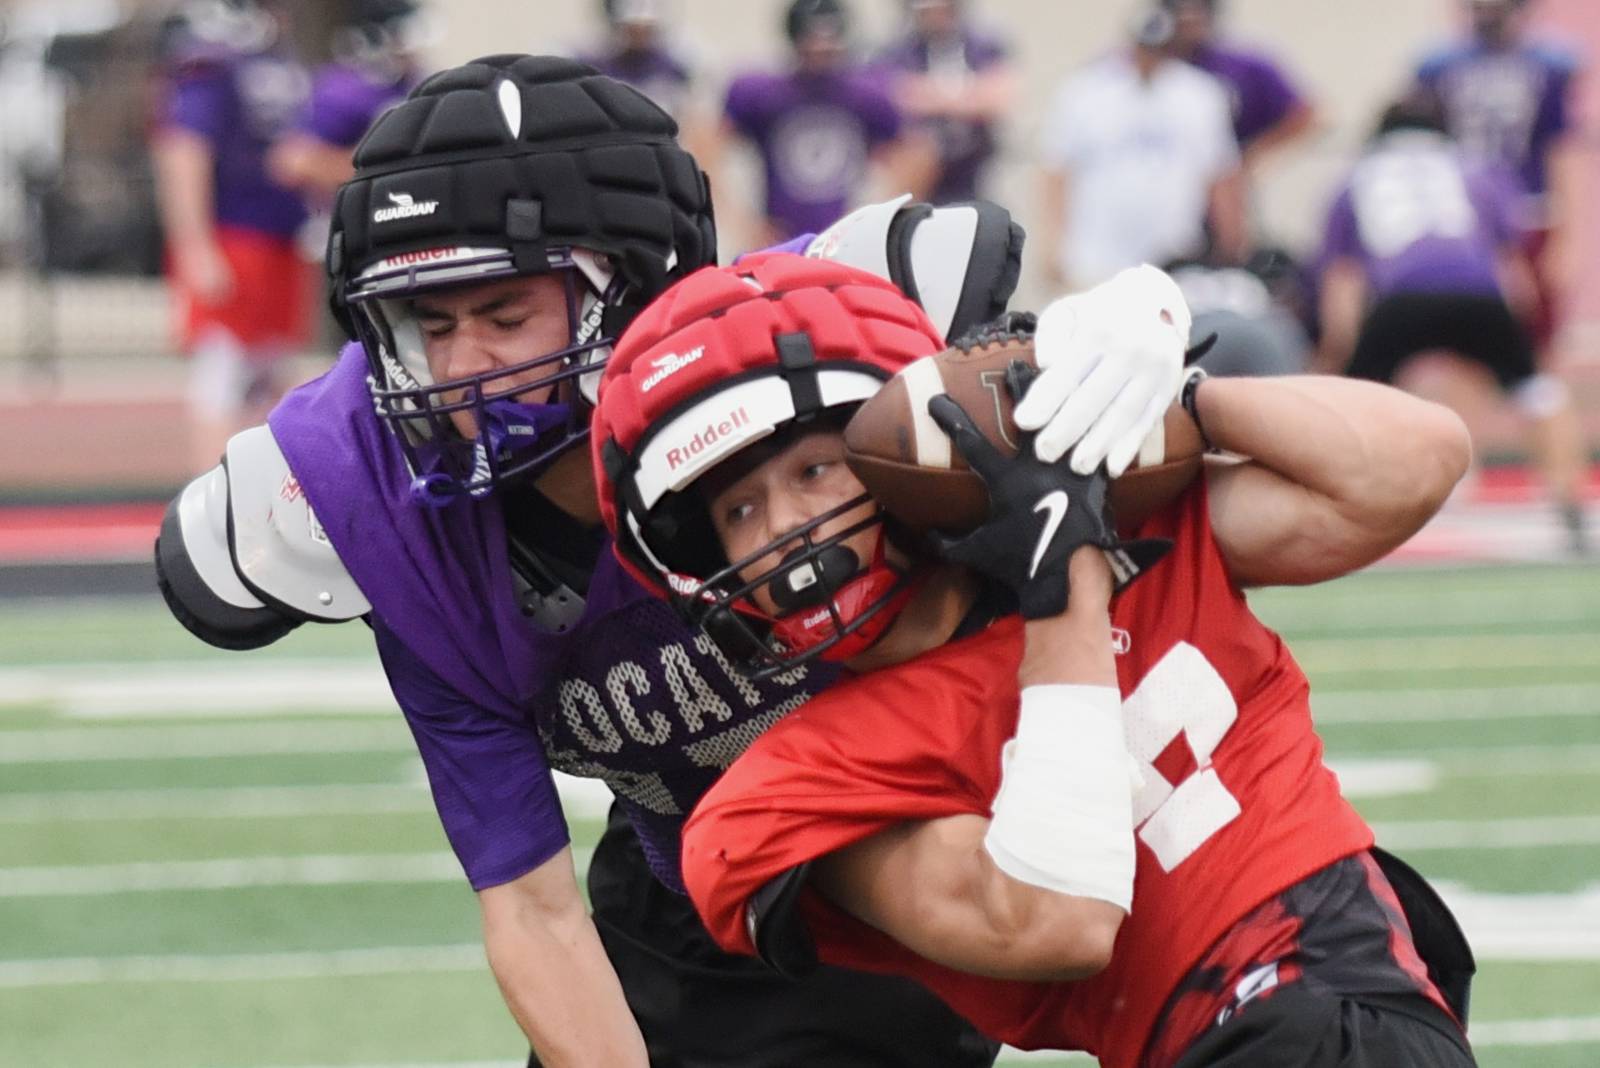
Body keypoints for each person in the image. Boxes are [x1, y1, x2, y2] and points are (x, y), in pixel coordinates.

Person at [154, 53, 1048, 1067]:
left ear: (633, 287)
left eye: (503, 315)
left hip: (900, 857)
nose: (460, 368)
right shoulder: (390, 513)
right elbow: (530, 907)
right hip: (670, 890)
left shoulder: (808, 368)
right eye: (430, 323)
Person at [591, 254, 1479, 1066]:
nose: (784, 530)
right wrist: (1065, 582)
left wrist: (1181, 393)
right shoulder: (779, 791)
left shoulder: (1135, 527)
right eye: (739, 511)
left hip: (1345, 1000)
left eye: (815, 473)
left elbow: (1414, 467)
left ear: (905, 451)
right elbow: (1056, 920)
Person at [1316, 94, 1588, 552]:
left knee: (1349, 405)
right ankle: (1569, 505)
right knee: (1539, 393)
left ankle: (1331, 508)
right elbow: (1513, 268)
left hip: (1400, 297)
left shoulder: (1355, 178)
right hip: (1476, 292)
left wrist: (1339, 349)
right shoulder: (1476, 167)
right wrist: (1519, 339)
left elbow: (1343, 283)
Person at [150, 0, 312, 472]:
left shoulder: (276, 56)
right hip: (233, 235)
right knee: (222, 369)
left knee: (272, 371)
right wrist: (196, 246)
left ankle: (264, 492)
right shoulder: (209, 62)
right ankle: (214, 496)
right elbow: (183, 152)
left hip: (280, 234)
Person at [1415, 0, 1584, 353]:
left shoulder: (1549, 65)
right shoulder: (1438, 66)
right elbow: (1429, 146)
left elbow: (1559, 148)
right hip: (1463, 210)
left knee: (1536, 323)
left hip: (1530, 206)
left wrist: (1567, 235)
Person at [1037, 6, 1246, 291]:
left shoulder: (1200, 95)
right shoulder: (1085, 92)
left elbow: (1219, 173)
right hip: (1097, 251)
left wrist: (1231, 239)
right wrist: (1053, 242)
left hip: (1174, 252)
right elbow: (1057, 170)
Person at [714, 0, 927, 248]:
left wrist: (877, 214)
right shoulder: (762, 93)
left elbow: (918, 154)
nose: (820, 50)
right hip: (782, 238)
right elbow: (705, 143)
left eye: (828, 44)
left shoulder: (865, 95)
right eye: (812, 43)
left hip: (842, 239)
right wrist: (742, 221)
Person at [267, 0, 427, 207]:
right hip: (352, 218)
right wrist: (375, 168)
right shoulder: (348, 90)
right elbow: (290, 163)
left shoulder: (412, 84)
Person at [873, 0, 1015, 203]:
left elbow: (998, 97)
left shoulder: (981, 44)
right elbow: (894, 95)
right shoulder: (898, 50)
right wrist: (966, 93)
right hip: (918, 177)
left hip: (972, 172)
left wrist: (931, 95)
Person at [1163, 0, 1315, 168]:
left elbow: (1304, 113)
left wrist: (1254, 153)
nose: (1188, 18)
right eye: (1180, 12)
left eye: (1196, 12)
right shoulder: (1154, 68)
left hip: (1226, 168)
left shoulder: (1244, 65)